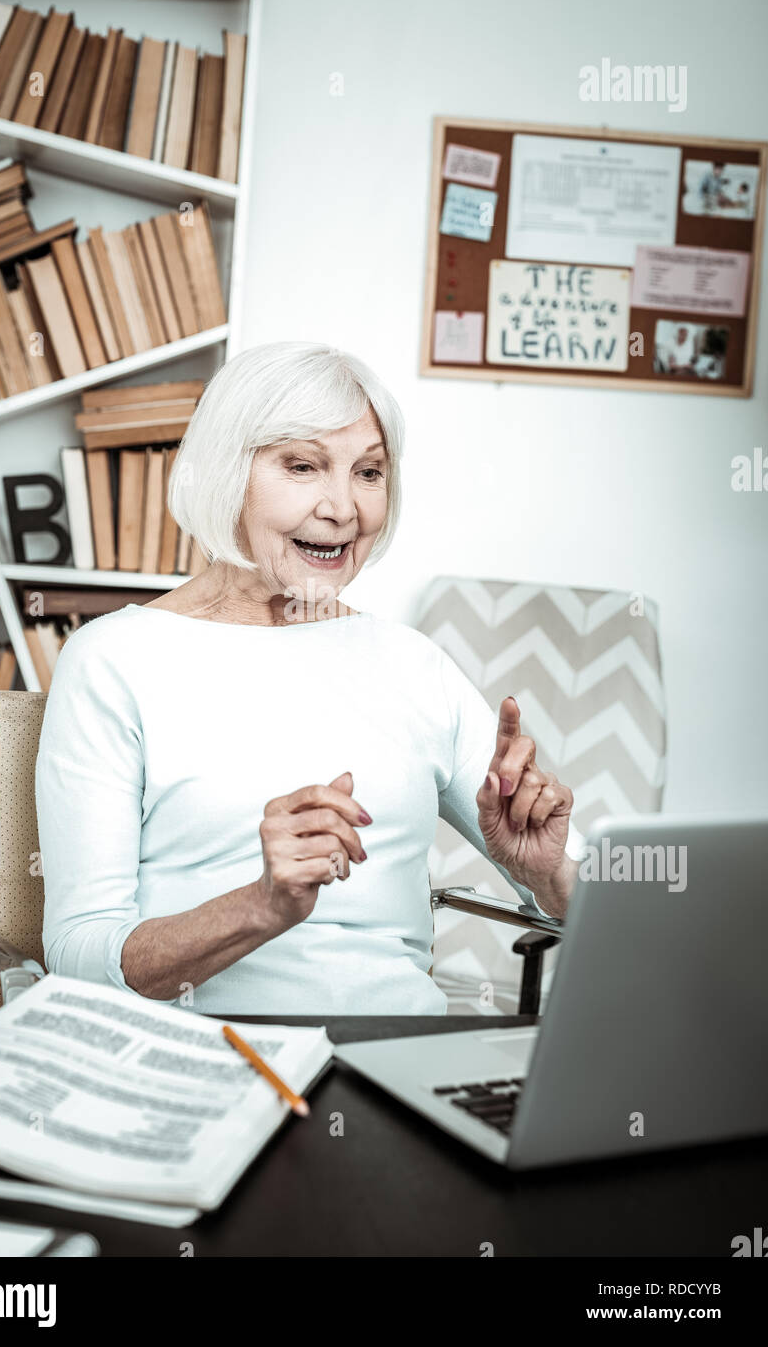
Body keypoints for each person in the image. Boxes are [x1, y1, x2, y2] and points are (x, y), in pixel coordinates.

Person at [36, 342, 584, 1015]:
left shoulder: (413, 664)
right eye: (303, 466)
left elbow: (589, 898)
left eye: (369, 473)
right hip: (196, 1062)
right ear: (224, 472)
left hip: (395, 1063)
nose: (343, 508)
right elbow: (79, 958)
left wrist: (546, 873)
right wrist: (262, 907)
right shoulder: (113, 659)